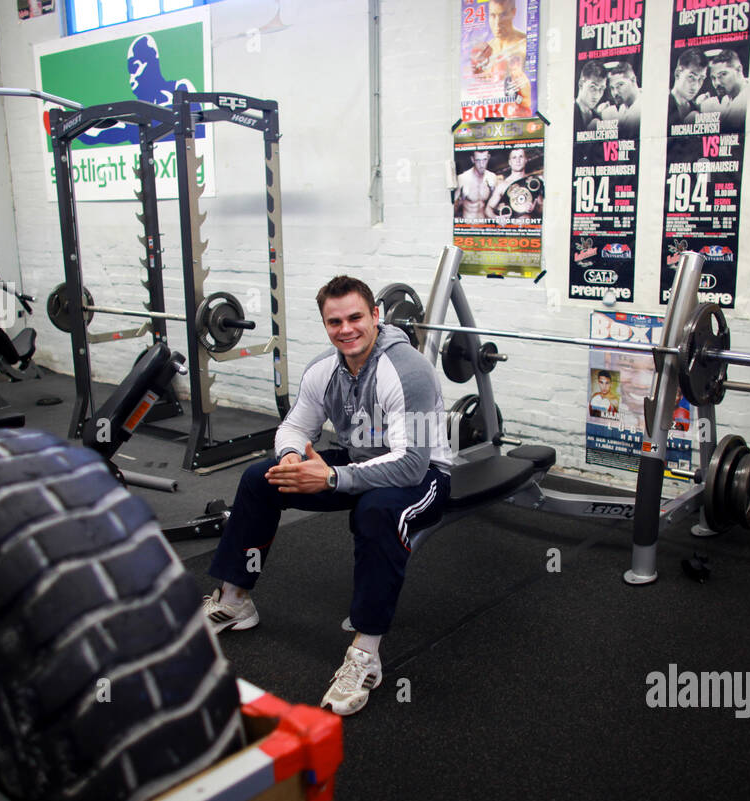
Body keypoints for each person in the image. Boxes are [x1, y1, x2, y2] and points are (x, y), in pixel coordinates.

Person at [201, 276, 454, 716]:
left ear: (376, 315)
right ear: (325, 325)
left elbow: (412, 463)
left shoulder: (408, 371)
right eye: (334, 321)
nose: (346, 329)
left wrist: (332, 478)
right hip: (357, 461)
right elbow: (296, 425)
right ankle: (234, 601)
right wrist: (292, 458)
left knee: (377, 513)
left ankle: (366, 653)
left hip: (423, 475)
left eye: (356, 317)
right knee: (261, 478)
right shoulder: (325, 368)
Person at [78, 35, 196, 146]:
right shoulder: (135, 117)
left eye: (134, 67)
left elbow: (194, 120)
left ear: (152, 61)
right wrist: (67, 123)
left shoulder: (180, 87)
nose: (131, 78)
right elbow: (93, 136)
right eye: (130, 72)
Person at [485, 147, 542, 220]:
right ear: (510, 162)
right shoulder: (503, 185)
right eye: (514, 157)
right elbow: (488, 208)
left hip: (529, 228)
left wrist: (535, 208)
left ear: (526, 160)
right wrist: (497, 218)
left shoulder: (534, 183)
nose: (518, 160)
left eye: (521, 157)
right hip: (511, 229)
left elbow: (542, 209)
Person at [595, 61, 641, 139]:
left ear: (633, 80)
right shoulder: (623, 107)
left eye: (620, 85)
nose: (615, 93)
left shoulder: (646, 106)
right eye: (612, 88)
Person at [708, 50, 748, 129]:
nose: (717, 83)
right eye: (713, 78)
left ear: (738, 70)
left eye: (723, 74)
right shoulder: (726, 100)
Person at [668, 51, 709, 128]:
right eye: (691, 77)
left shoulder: (698, 110)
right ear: (678, 74)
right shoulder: (661, 106)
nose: (696, 86)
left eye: (701, 79)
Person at [454, 150, 497, 221]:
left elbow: (495, 206)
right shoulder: (463, 178)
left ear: (488, 157)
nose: (481, 165)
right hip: (469, 226)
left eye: (484, 160)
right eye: (478, 160)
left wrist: (492, 193)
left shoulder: (492, 177)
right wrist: (460, 199)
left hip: (485, 226)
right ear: (472, 159)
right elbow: (451, 210)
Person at [575, 62, 607, 133]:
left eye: (601, 89)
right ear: (581, 84)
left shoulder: (599, 118)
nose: (597, 95)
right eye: (593, 87)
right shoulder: (569, 112)